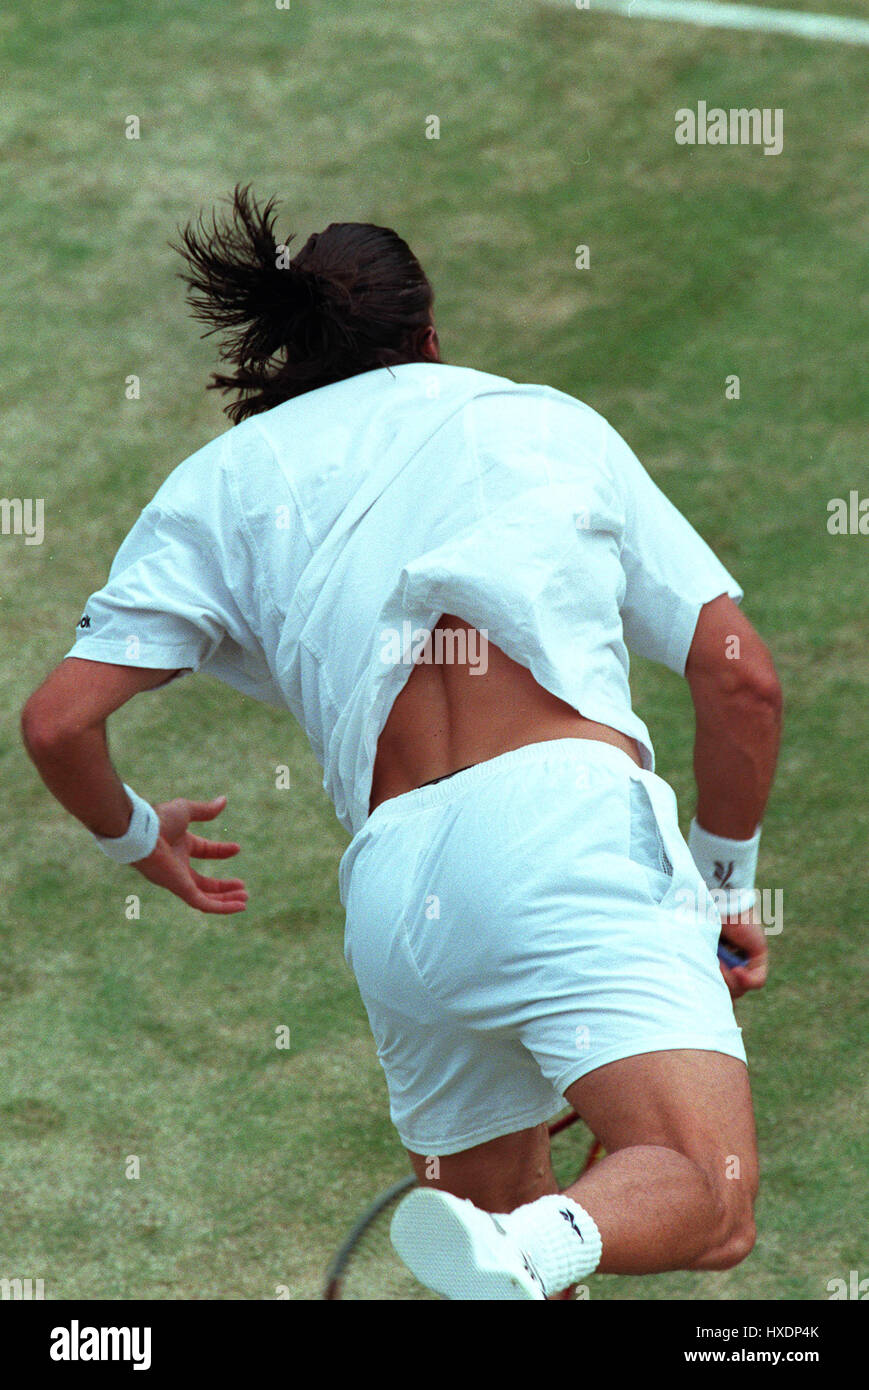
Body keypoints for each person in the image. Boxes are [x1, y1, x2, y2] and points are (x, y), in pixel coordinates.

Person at [20, 186, 782, 1301]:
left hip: (395, 898)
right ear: (427, 336)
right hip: (561, 833)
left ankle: (521, 1243)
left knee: (502, 1262)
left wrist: (135, 836)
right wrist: (722, 882)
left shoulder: (216, 484)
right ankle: (531, 1242)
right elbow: (739, 677)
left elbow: (57, 720)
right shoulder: (539, 418)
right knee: (703, 1197)